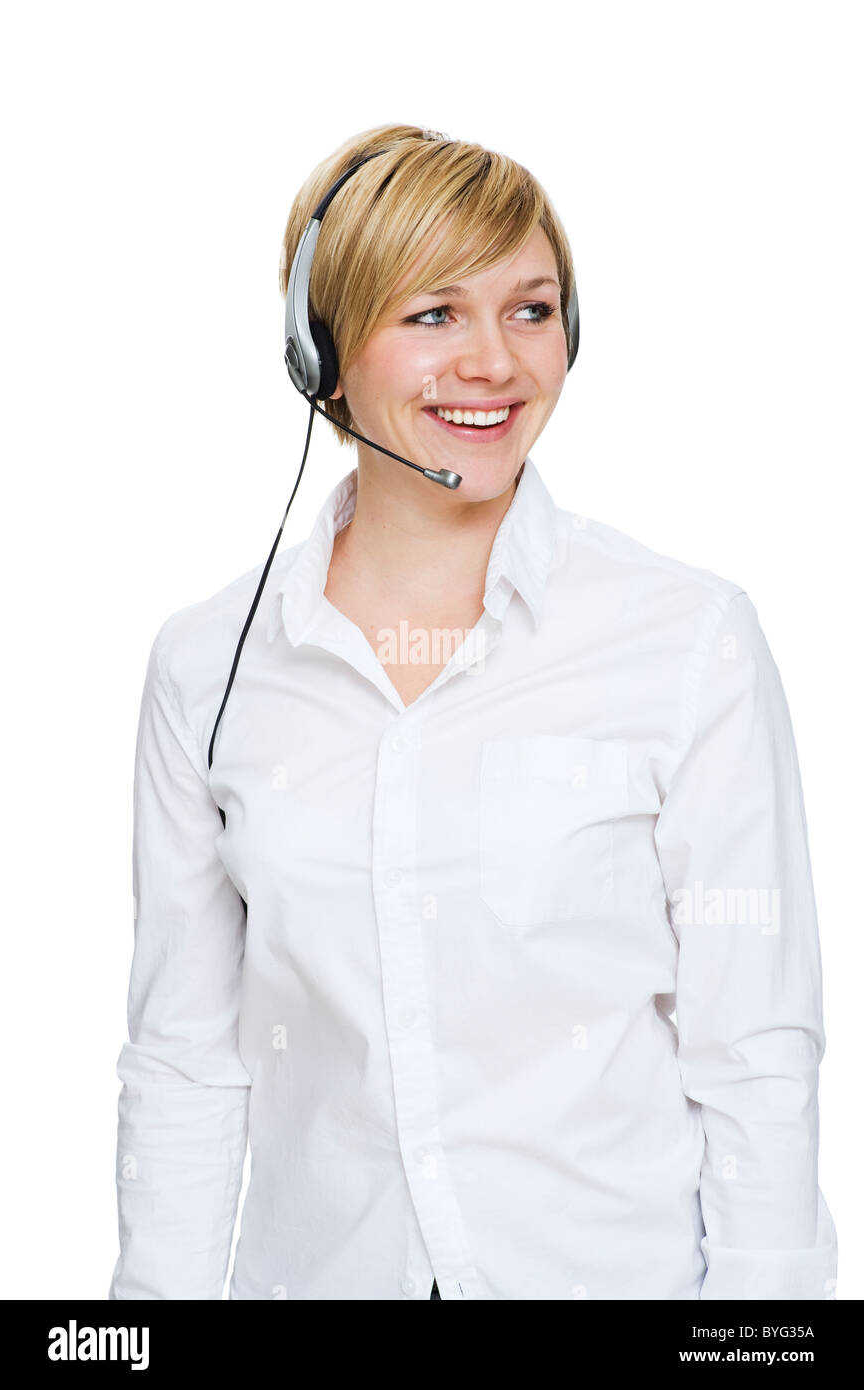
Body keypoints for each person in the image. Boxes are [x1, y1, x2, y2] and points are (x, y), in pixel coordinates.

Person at [108, 123, 838, 1301]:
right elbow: (186, 1062)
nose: (494, 362)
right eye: (433, 314)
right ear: (320, 353)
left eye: (531, 310)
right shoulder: (208, 667)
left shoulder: (685, 638)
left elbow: (751, 1052)